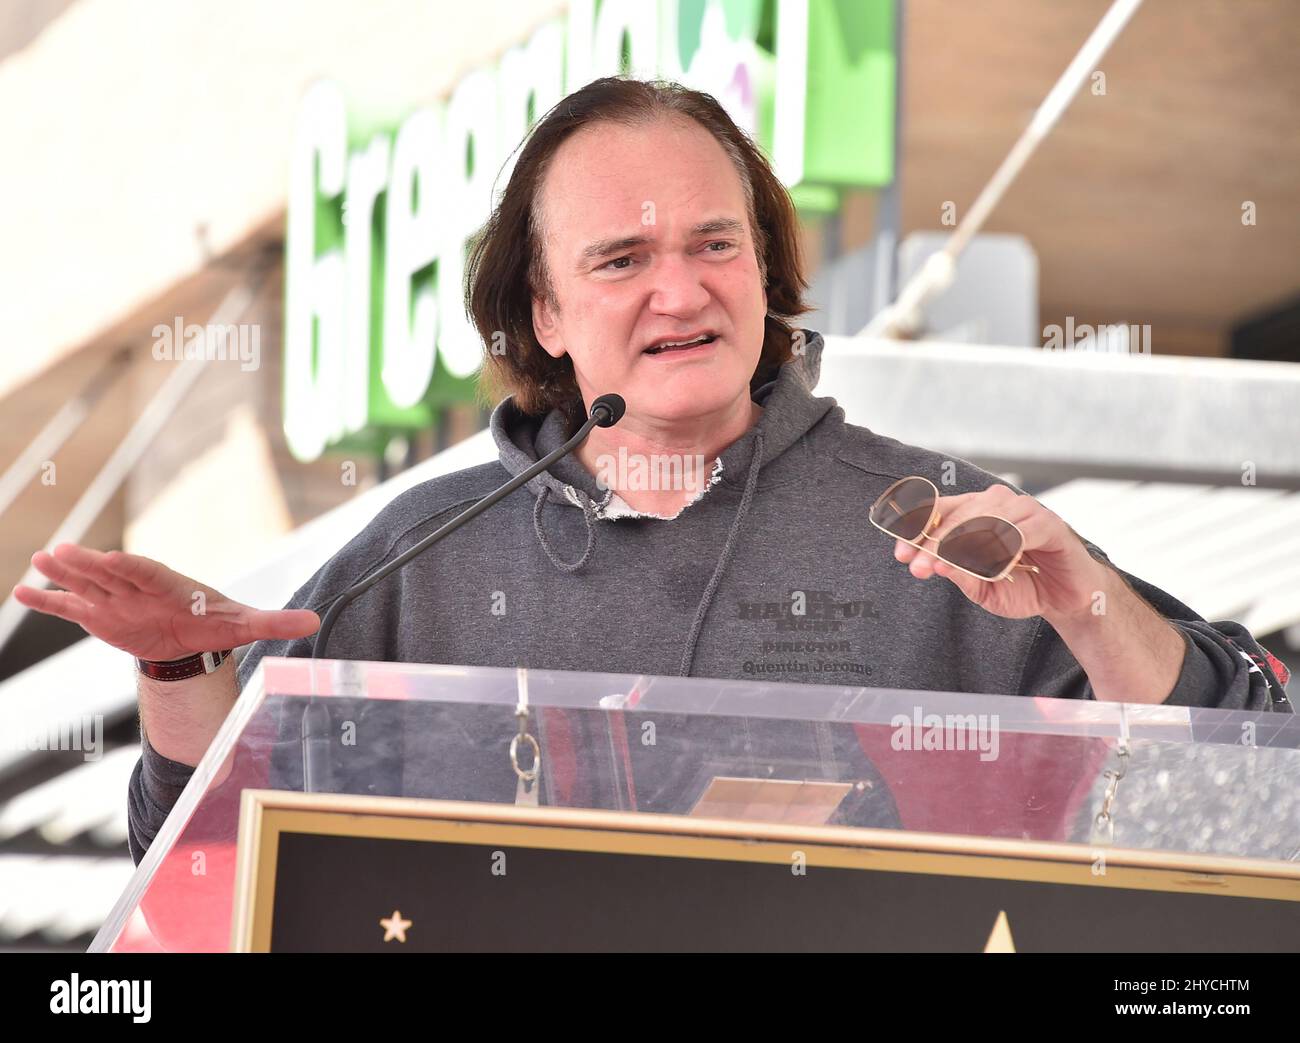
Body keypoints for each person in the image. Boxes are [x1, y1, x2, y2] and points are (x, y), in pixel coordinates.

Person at [13, 78, 1291, 866]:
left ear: (767, 270)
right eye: (620, 259)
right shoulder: (425, 553)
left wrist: (1086, 606)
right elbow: (197, 856)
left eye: (714, 244)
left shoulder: (947, 520)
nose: (679, 289)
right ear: (547, 314)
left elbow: (1246, 783)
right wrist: (181, 670)